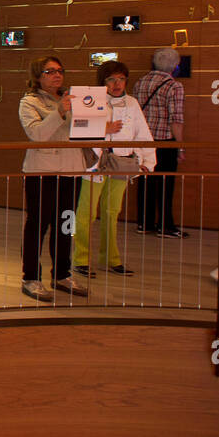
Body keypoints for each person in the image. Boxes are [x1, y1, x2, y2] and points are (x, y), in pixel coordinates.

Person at [72, 60, 155, 278]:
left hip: (121, 163)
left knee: (112, 213)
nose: (117, 84)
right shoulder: (90, 99)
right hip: (94, 165)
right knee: (85, 213)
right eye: (111, 79)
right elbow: (78, 130)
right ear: (103, 81)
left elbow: (143, 134)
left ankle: (111, 259)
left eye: (120, 78)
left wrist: (148, 161)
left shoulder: (132, 103)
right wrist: (103, 127)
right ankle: (80, 259)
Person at [18, 55, 89, 301]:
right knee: (38, 224)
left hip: (71, 171)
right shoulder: (29, 102)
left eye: (59, 70)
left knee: (66, 225)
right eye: (49, 71)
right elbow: (37, 134)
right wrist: (58, 111)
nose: (57, 75)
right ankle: (31, 277)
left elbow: (82, 131)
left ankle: (62, 274)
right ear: (38, 76)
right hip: (42, 172)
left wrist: (102, 127)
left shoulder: (73, 99)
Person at [133, 47, 187, 238]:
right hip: (165, 143)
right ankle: (165, 226)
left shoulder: (140, 82)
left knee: (145, 181)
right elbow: (176, 120)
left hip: (142, 142)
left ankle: (144, 223)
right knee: (165, 183)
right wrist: (179, 147)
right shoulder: (174, 86)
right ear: (175, 66)